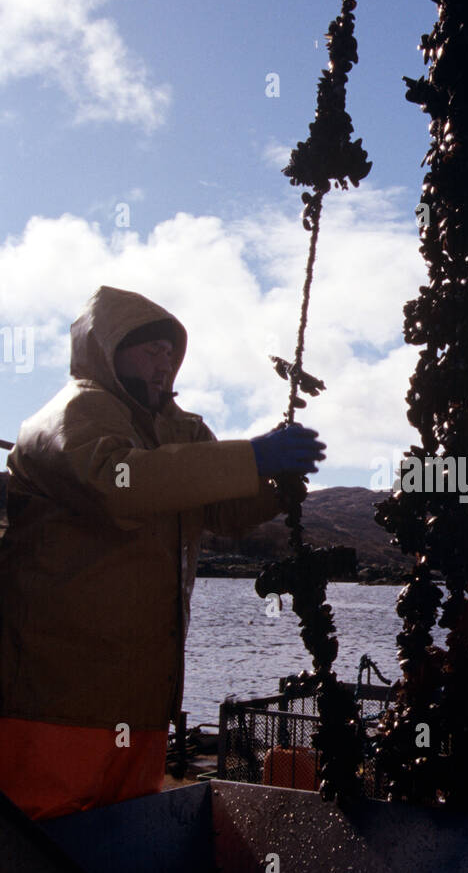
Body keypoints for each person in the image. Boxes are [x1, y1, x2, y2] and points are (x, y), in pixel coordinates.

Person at [0, 284, 325, 821]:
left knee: (123, 843)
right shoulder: (72, 412)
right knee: (42, 848)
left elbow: (221, 511)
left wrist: (275, 482)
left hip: (142, 706)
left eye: (170, 353)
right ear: (107, 350)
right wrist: (251, 456)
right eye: (150, 349)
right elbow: (119, 482)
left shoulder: (180, 430)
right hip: (54, 701)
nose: (165, 362)